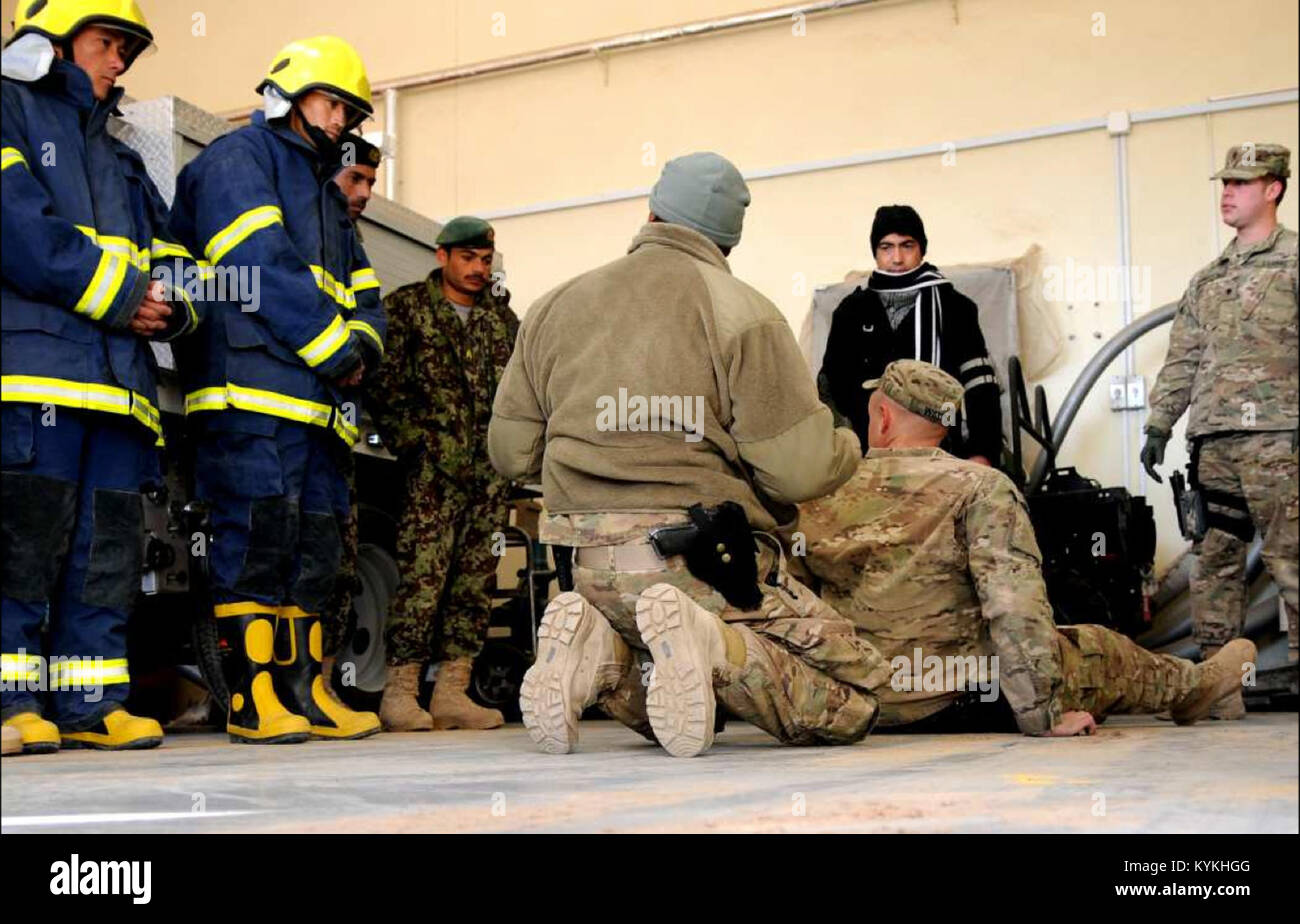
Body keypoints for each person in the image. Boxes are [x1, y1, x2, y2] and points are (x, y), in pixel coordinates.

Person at [490, 152, 890, 758]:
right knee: (855, 697)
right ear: (729, 239)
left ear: (651, 212)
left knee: (670, 705)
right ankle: (712, 643)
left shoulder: (553, 306)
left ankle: (601, 647)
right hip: (703, 562)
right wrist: (847, 443)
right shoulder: (741, 310)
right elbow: (800, 469)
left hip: (588, 567)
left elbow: (511, 452)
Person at [799, 360, 1257, 736]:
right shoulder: (979, 487)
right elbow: (1013, 603)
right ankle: (1193, 687)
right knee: (1097, 646)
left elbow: (793, 602)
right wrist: (1043, 712)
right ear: (947, 424)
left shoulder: (820, 491)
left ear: (881, 418)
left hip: (858, 703)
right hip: (963, 698)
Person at [169, 35, 385, 743]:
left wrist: (360, 352)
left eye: (349, 114)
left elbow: (367, 296)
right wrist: (335, 351)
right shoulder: (239, 160)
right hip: (249, 397)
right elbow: (257, 264)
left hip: (317, 410)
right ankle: (253, 698)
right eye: (331, 105)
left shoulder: (326, 196)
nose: (339, 125)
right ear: (288, 95)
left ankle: (302, 692)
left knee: (315, 554)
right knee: (253, 545)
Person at [2, 0, 202, 752]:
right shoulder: (8, 108)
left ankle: (91, 702)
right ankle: (7, 705)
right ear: (51, 38)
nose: (120, 63)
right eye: (109, 42)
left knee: (106, 550)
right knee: (24, 544)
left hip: (120, 391)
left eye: (128, 51)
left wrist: (175, 307)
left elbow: (175, 254)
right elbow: (16, 228)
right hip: (35, 378)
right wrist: (126, 296)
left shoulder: (120, 157)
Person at [1141, 143, 1298, 718]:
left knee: (1292, 559)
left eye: (1240, 183)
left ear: (1273, 188)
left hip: (1281, 439)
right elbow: (1183, 357)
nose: (1227, 193)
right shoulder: (1208, 280)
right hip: (1214, 444)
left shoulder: (1294, 262)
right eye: (1224, 183)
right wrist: (1161, 422)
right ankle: (1220, 687)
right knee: (1215, 565)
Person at [366, 216, 518, 731]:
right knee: (422, 582)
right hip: (430, 476)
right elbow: (382, 387)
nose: (478, 269)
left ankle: (453, 691)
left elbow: (519, 392)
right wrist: (417, 447)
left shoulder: (502, 320)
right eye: (468, 258)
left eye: (485, 259)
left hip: (488, 476)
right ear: (442, 256)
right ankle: (400, 693)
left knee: (474, 584)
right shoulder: (407, 310)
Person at [818, 205, 1002, 465]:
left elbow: (980, 387)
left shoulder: (955, 308)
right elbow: (835, 388)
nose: (896, 258)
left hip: (945, 454)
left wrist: (981, 453)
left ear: (921, 250)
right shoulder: (852, 312)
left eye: (907, 245)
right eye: (886, 247)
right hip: (867, 455)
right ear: (875, 253)